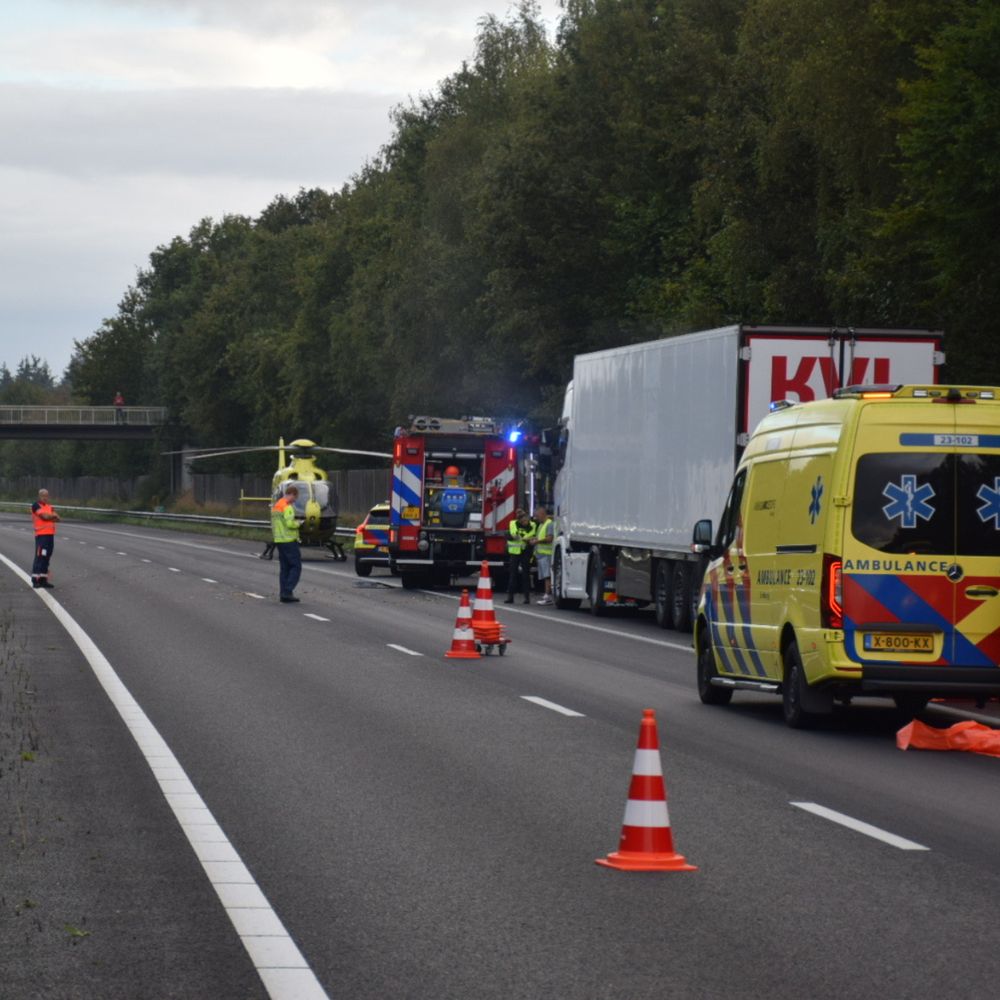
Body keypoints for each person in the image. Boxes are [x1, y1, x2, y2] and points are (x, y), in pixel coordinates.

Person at [271, 484, 302, 603]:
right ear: (292, 494)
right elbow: (290, 524)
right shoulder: (287, 507)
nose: (295, 500)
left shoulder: (277, 506)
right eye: (295, 497)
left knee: (285, 568)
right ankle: (287, 591)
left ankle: (283, 594)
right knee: (296, 566)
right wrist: (298, 523)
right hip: (289, 540)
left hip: (279, 540)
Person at [30, 488, 61, 589]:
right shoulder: (36, 505)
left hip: (50, 535)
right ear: (40, 496)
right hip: (41, 535)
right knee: (40, 557)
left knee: (47, 558)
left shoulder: (49, 506)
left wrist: (50, 516)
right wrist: (51, 517)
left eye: (47, 496)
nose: (45, 498)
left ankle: (43, 580)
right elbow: (44, 517)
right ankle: (35, 580)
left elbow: (59, 518)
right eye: (43, 496)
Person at [504, 508, 536, 604]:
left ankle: (527, 597)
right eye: (522, 521)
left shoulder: (532, 524)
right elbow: (514, 534)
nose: (525, 522)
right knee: (513, 574)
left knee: (526, 575)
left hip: (526, 552)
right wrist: (524, 538)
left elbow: (531, 534)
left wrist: (523, 538)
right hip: (515, 552)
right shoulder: (513, 523)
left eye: (526, 520)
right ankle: (510, 597)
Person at [532, 505, 554, 605]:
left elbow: (550, 539)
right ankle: (547, 595)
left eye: (537, 516)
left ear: (542, 514)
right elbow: (539, 537)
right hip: (542, 555)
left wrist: (537, 542)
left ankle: (547, 596)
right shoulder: (541, 525)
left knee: (547, 576)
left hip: (547, 554)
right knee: (545, 576)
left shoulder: (549, 524)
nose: (536, 518)